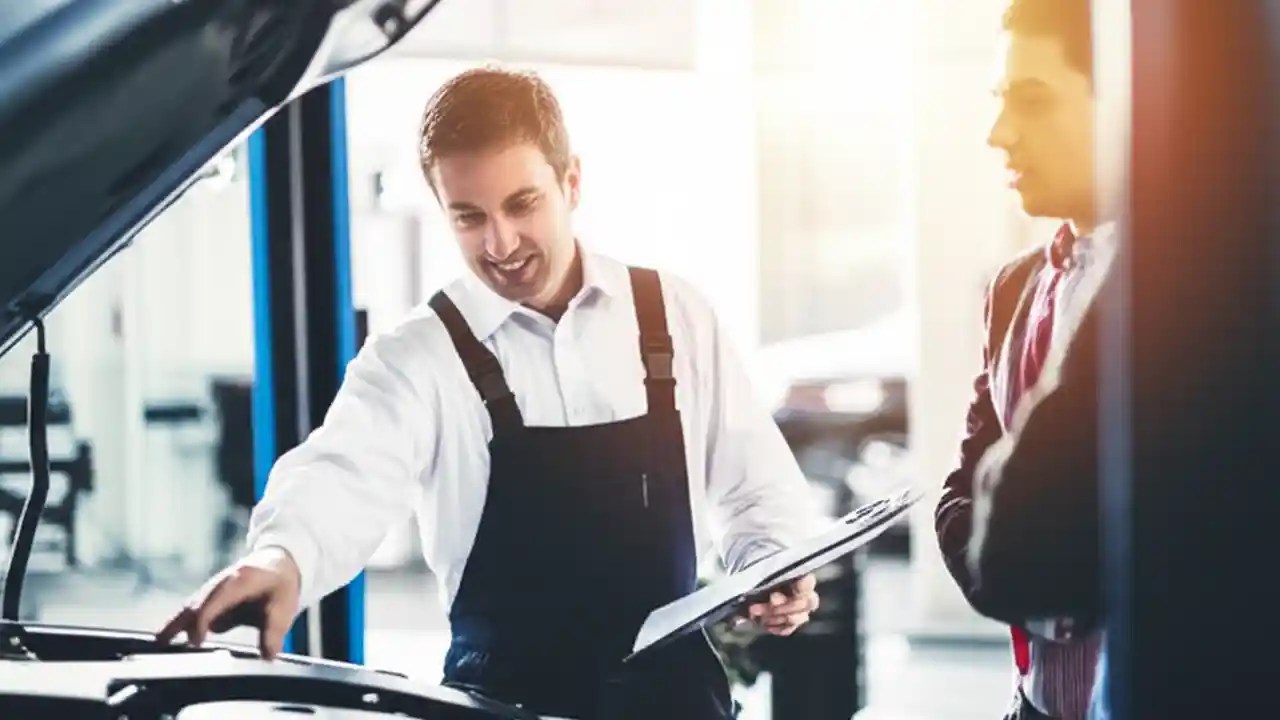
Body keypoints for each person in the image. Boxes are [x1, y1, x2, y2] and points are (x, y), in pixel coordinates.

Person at [155, 66, 822, 719]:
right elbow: (343, 474)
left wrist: (770, 565)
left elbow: (753, 486)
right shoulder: (418, 353)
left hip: (674, 704)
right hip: (499, 705)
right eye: (468, 216)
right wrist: (283, 557)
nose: (499, 242)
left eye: (522, 204)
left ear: (572, 182)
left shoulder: (675, 314)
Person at [933, 1, 1107, 718]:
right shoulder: (1014, 287)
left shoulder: (1199, 290)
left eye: (1031, 101)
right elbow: (960, 499)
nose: (999, 134)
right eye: (1001, 102)